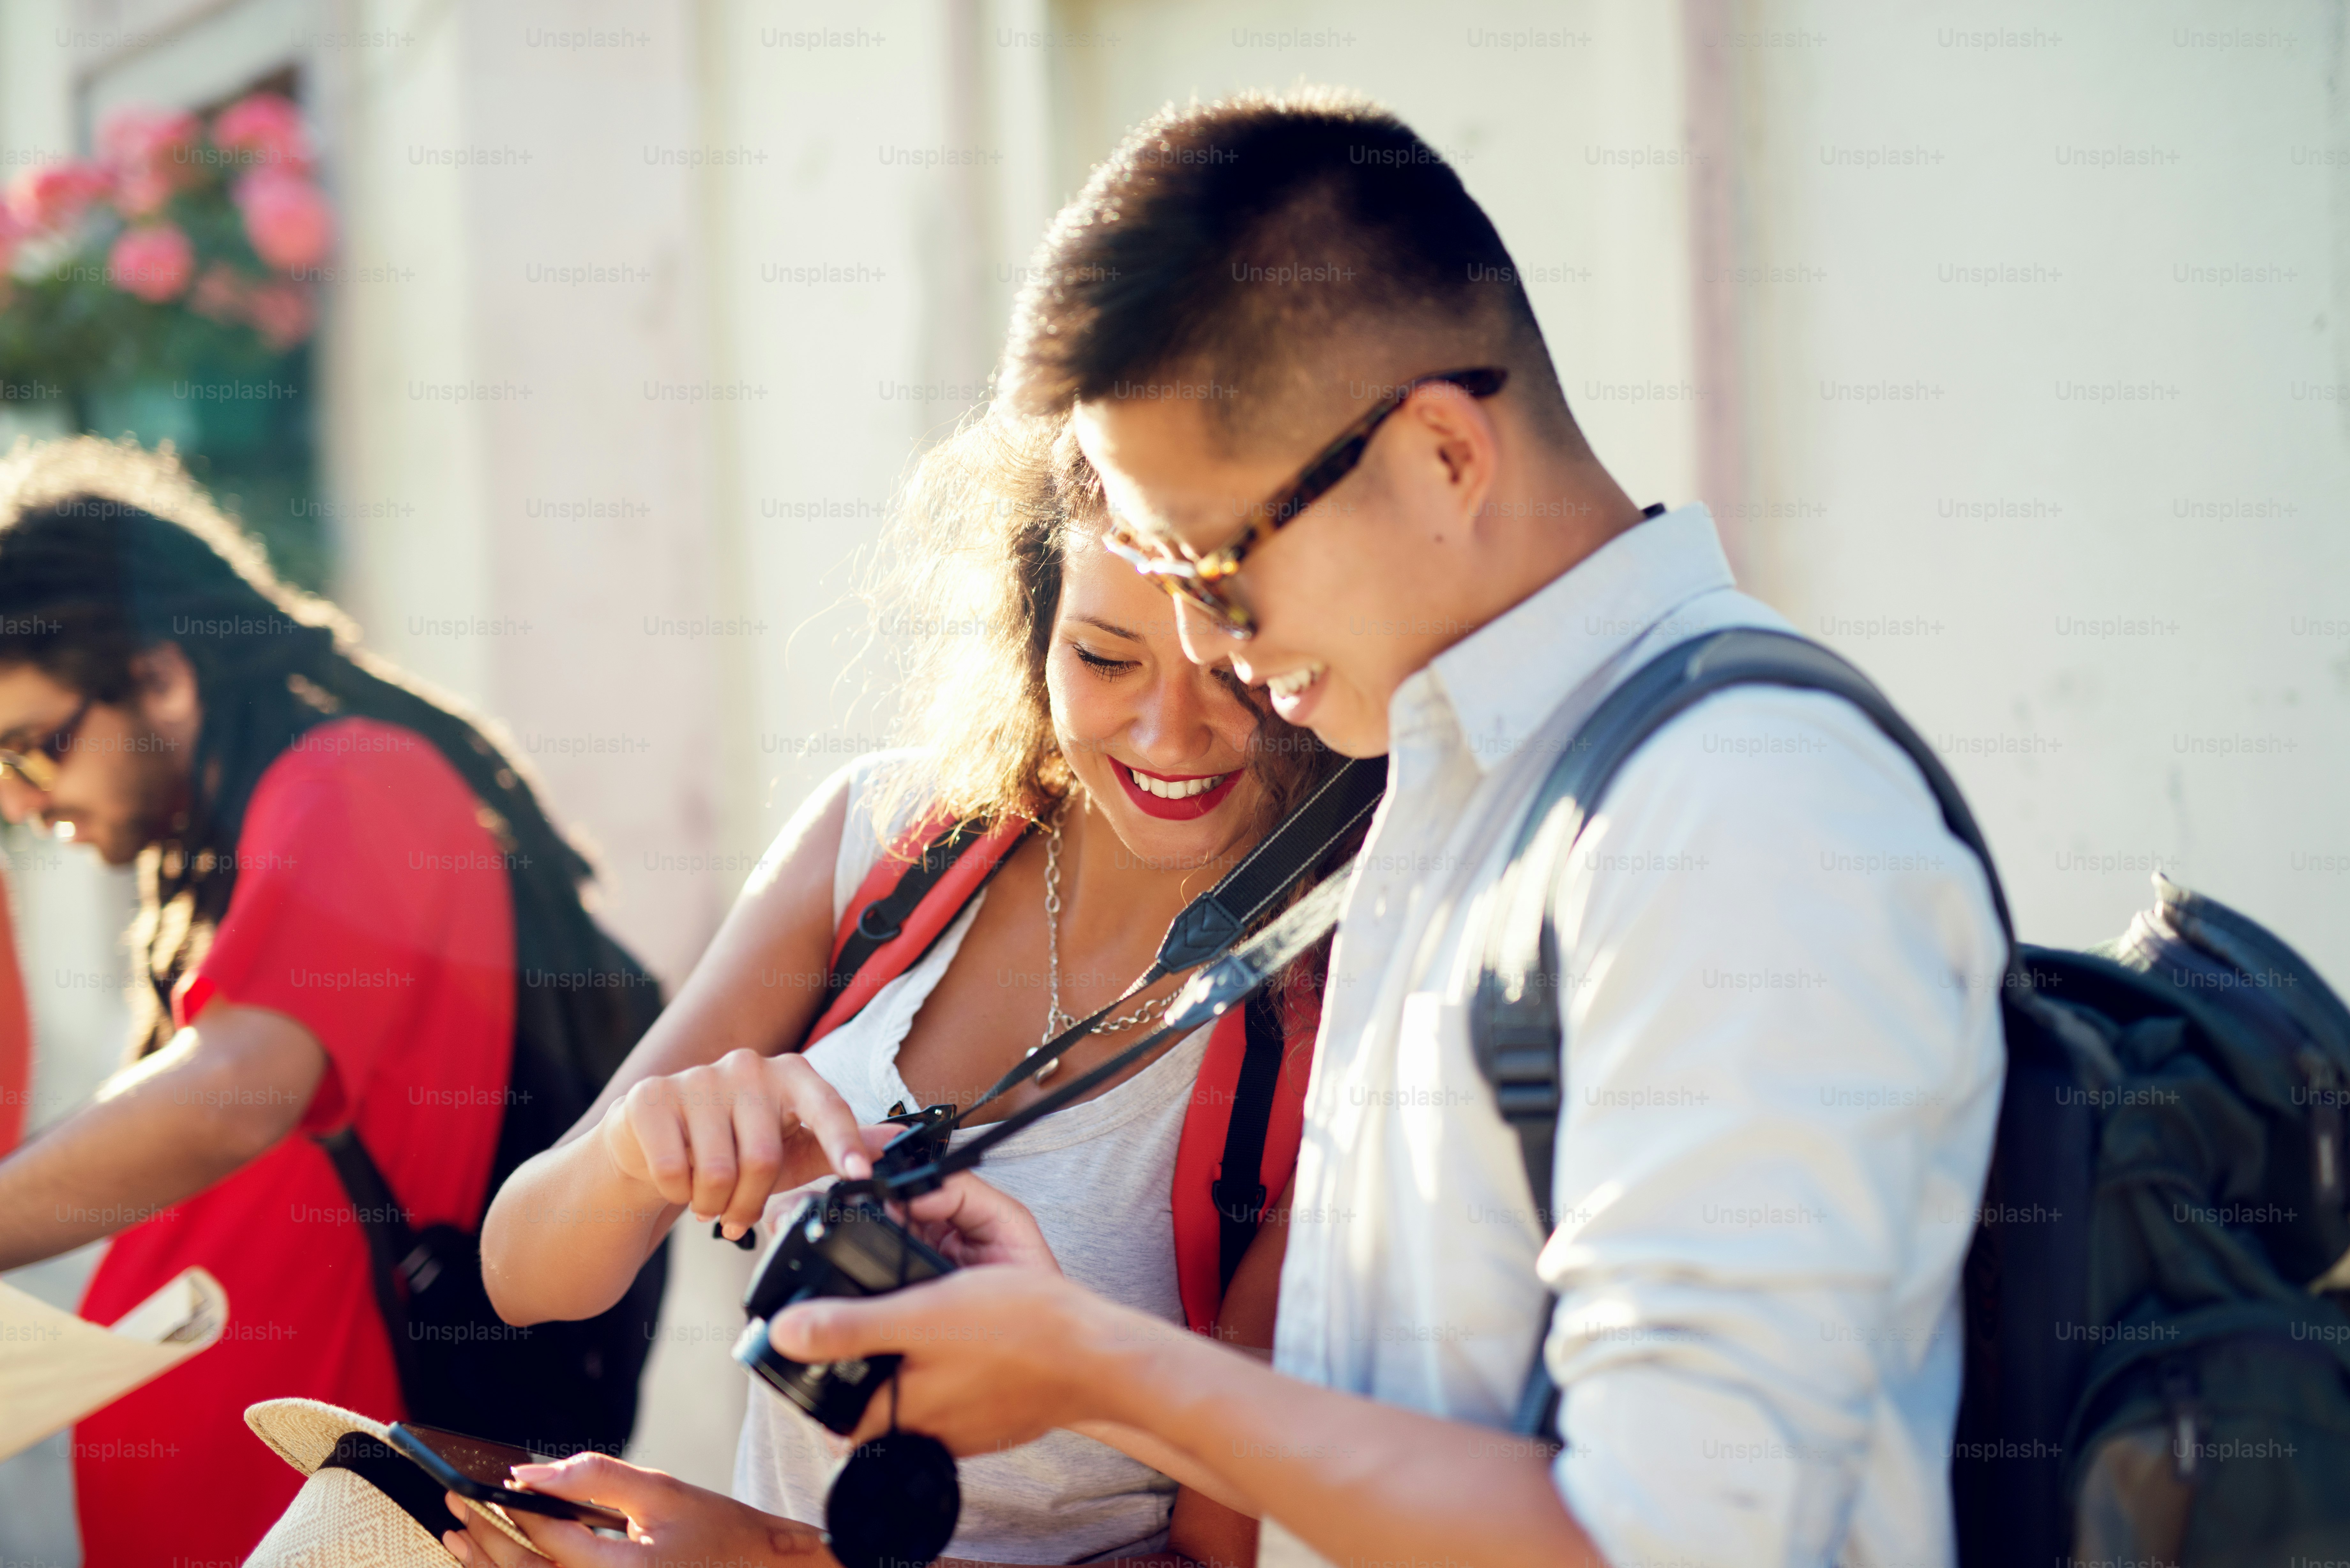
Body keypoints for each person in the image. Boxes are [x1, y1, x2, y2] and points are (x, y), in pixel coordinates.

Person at [463, 90, 2005, 1568]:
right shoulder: (1472, 790)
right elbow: (1379, 1446)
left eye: (1214, 565)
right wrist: (1080, 1356)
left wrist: (1090, 1372)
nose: (1211, 652)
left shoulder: (1729, 810)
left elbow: (1676, 1540)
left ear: (1443, 455)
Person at [455, 413, 1346, 1567]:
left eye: (1228, 670)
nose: (1169, 731)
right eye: (1105, 657)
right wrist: (636, 1155)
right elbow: (521, 1275)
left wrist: (772, 1558)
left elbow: (1229, 1553)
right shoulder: (887, 839)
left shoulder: (1344, 1005)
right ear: (1036, 633)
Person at [0, 437, 655, 1564]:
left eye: (33, 750)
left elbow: (238, 1088)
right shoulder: (246, 841)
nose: (24, 803)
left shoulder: (350, 782)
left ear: (159, 679)